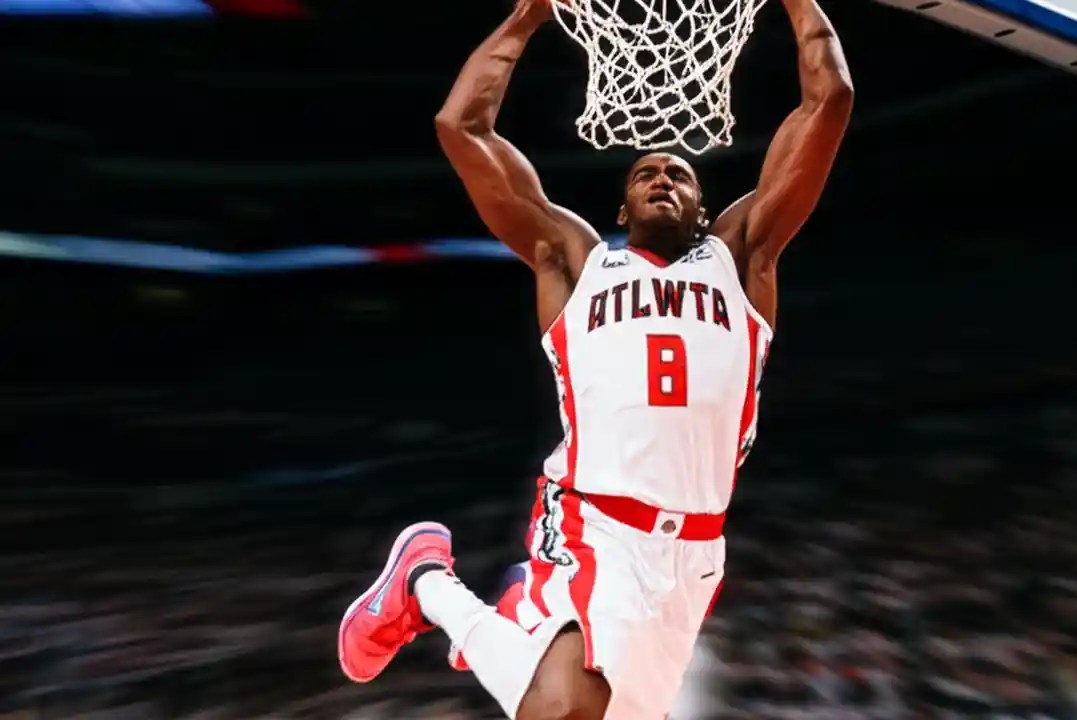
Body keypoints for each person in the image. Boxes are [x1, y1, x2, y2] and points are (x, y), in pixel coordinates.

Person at [337, 0, 852, 715]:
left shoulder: (742, 256)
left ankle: (434, 584)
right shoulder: (576, 261)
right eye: (645, 174)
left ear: (704, 206)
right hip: (593, 520)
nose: (662, 179)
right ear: (622, 209)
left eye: (678, 173)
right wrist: (525, 18)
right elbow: (460, 129)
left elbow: (831, 100)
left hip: (695, 551)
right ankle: (426, 579)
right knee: (561, 712)